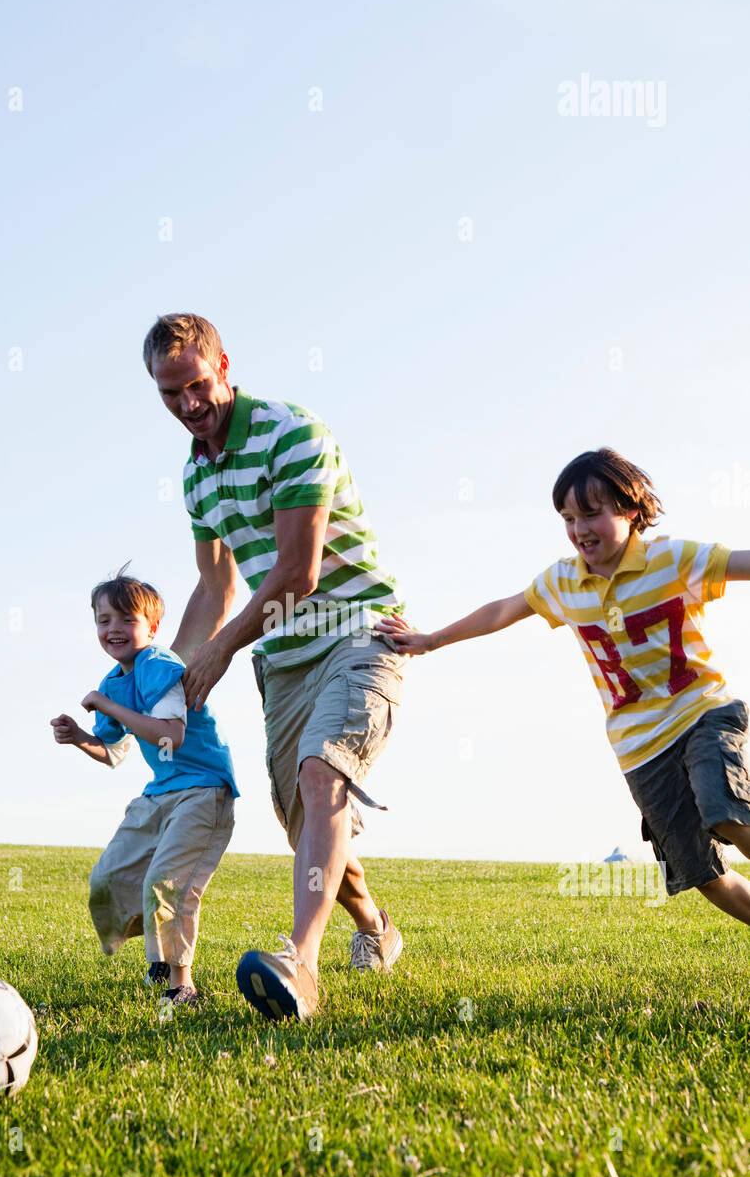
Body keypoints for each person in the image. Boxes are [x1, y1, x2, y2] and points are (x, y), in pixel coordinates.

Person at [142, 311, 407, 1021]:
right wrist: (167, 675)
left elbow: (298, 573)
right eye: (170, 396)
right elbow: (214, 588)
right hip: (285, 661)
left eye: (196, 386)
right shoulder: (198, 478)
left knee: (323, 776)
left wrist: (223, 648)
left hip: (357, 632)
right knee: (306, 821)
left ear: (223, 368)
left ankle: (302, 968)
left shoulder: (293, 433)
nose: (188, 406)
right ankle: (375, 929)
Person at [380, 448, 750, 924]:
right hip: (638, 747)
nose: (579, 530)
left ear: (631, 511)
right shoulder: (562, 582)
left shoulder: (673, 560)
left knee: (724, 810)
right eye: (568, 519)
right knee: (700, 874)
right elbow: (501, 612)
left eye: (591, 515)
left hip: (700, 713)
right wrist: (430, 640)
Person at [50, 569, 237, 1006]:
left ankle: (181, 987)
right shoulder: (115, 682)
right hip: (161, 790)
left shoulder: (160, 666)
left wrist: (108, 705)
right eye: (103, 620)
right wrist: (81, 737)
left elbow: (171, 734)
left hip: (204, 790)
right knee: (109, 877)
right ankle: (159, 950)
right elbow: (114, 752)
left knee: (166, 882)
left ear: (152, 628)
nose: (113, 629)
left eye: (126, 620)